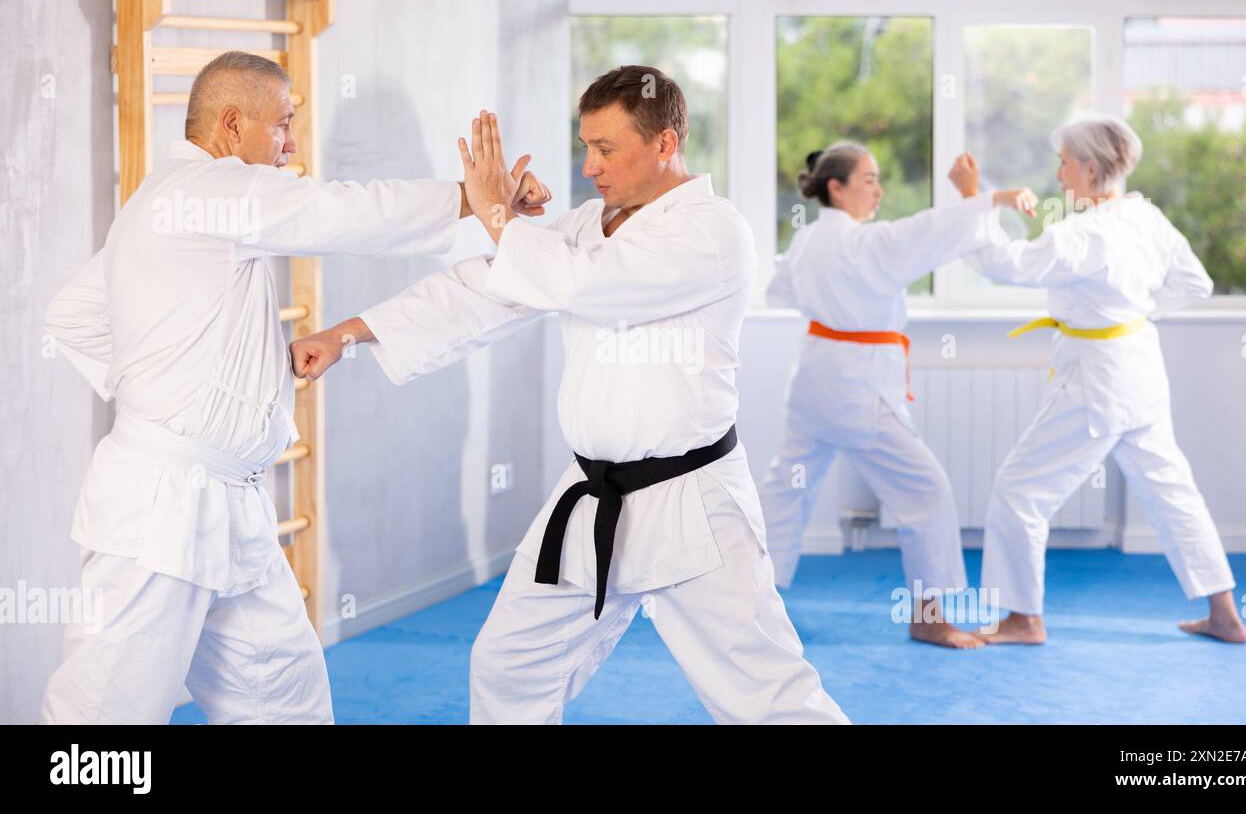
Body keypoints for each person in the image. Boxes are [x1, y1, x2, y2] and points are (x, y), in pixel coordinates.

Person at [293, 67, 850, 723]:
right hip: (587, 498)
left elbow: (584, 286)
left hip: (690, 504)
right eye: (585, 145)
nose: (590, 167)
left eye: (606, 148)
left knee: (766, 696)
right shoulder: (594, 223)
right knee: (509, 666)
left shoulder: (712, 233)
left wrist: (500, 213)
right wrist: (350, 333)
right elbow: (490, 287)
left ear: (666, 143)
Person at [40, 50, 551, 724]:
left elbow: (72, 317)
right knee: (104, 713)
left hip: (234, 507)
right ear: (231, 124)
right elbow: (340, 213)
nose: (292, 145)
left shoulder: (160, 201)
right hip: (160, 508)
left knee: (284, 695)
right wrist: (472, 197)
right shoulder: (207, 190)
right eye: (283, 125)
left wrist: (199, 377)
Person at [970, 115, 1246, 645]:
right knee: (1172, 491)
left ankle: (1023, 618)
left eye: (1065, 164)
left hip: (1096, 380)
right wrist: (1135, 312)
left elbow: (1008, 264)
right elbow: (1196, 282)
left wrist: (978, 205)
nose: (1058, 175)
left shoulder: (1082, 233)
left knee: (1018, 490)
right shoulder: (1146, 218)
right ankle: (1225, 614)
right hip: (1139, 363)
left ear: (1090, 167)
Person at [761, 143, 1037, 648]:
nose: (879, 189)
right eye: (868, 179)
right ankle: (930, 615)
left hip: (813, 379)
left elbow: (780, 293)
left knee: (786, 492)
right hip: (857, 388)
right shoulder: (863, 245)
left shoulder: (806, 243)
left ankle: (753, 607)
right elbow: (926, 232)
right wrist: (989, 199)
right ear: (835, 187)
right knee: (925, 493)